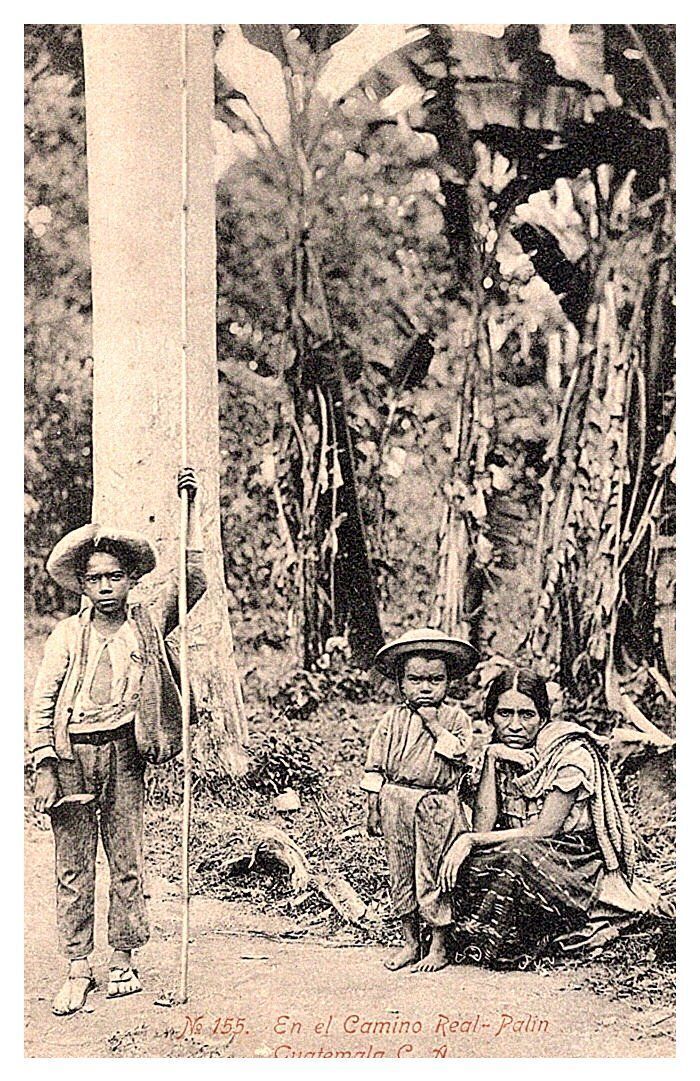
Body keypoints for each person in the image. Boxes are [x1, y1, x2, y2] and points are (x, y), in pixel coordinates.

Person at [29, 468, 206, 1016]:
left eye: (115, 577)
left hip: (126, 753)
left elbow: (194, 578)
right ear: (82, 585)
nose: (105, 587)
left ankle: (124, 957)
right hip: (73, 755)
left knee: (126, 856)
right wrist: (42, 763)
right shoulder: (67, 635)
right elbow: (42, 701)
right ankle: (78, 966)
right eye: (95, 578)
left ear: (131, 581)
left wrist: (191, 510)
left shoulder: (148, 624)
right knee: (73, 864)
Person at [439, 667, 657, 968]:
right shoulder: (501, 751)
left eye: (526, 715)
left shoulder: (570, 754)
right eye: (504, 714)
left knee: (517, 858)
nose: (515, 725)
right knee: (459, 864)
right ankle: (489, 934)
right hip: (522, 849)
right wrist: (492, 758)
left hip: (575, 860)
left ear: (543, 717)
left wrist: (471, 839)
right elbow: (483, 825)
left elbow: (544, 830)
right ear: (491, 716)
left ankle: (504, 941)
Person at [361, 627, 477, 973]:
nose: (425, 687)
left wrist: (434, 726)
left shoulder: (455, 718)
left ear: (448, 682)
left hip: (435, 805)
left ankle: (438, 945)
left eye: (435, 680)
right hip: (395, 802)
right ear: (401, 682)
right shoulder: (392, 720)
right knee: (401, 871)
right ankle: (411, 941)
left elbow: (460, 754)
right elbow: (375, 766)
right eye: (415, 680)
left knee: (433, 874)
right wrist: (373, 806)